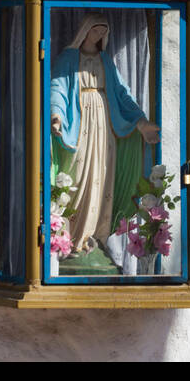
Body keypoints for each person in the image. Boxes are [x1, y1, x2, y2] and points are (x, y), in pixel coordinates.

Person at [50, 14, 160, 255]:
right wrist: (56, 114)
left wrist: (141, 123)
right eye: (95, 31)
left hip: (104, 123)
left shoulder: (105, 61)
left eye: (103, 32)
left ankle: (95, 239)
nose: (99, 36)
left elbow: (122, 93)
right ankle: (70, 239)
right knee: (77, 175)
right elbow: (57, 87)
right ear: (85, 31)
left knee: (102, 174)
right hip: (79, 123)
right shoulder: (69, 58)